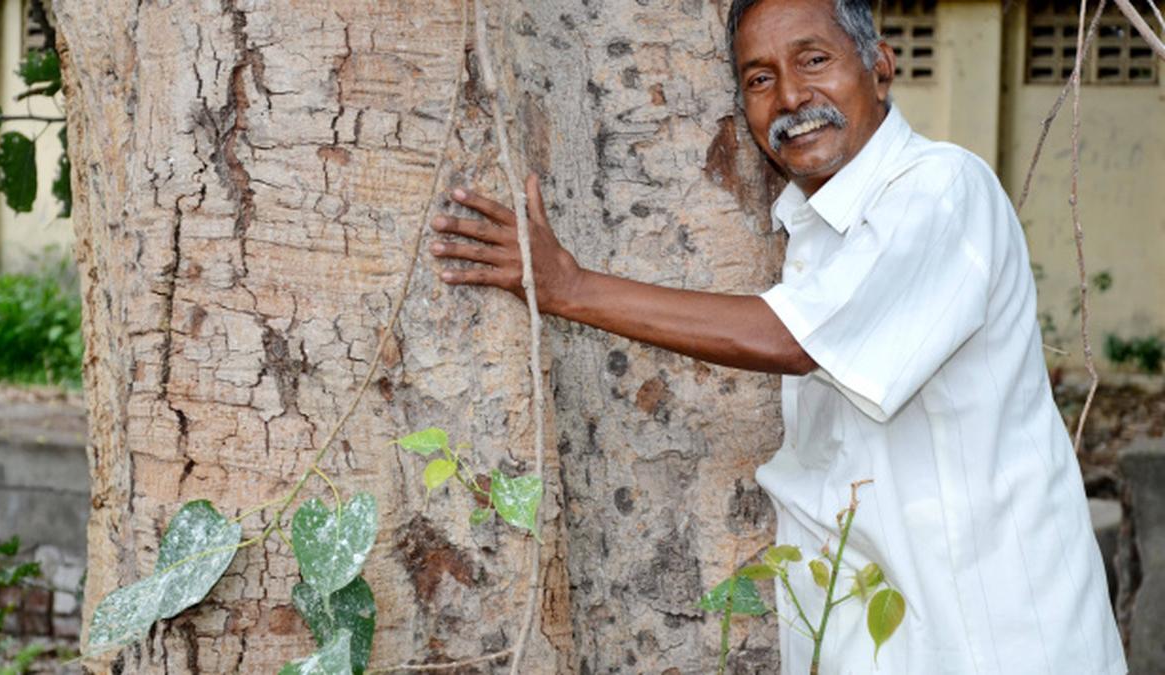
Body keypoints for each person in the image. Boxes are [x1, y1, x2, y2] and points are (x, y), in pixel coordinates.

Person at [429, 0, 1126, 672]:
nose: (791, 96)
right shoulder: (814, 235)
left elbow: (794, 338)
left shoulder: (942, 188)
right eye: (760, 79)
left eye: (814, 59)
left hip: (991, 637)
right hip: (877, 637)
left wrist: (570, 288)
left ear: (879, 66)